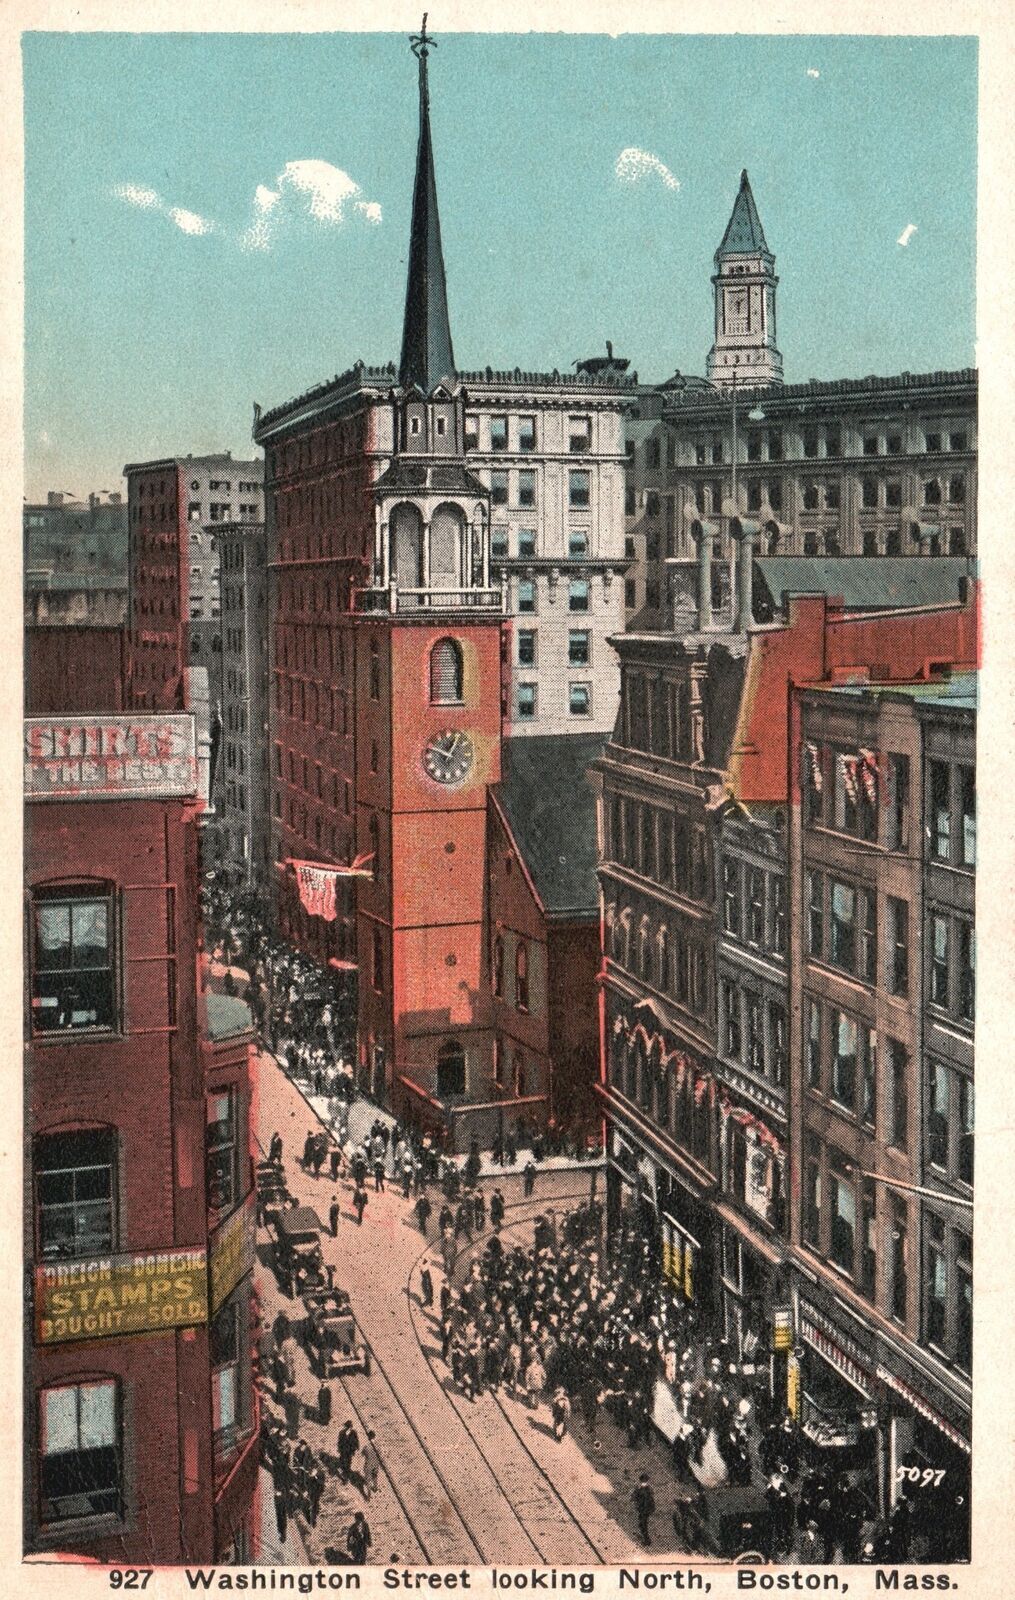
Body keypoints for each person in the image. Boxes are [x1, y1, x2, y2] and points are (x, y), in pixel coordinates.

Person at [632, 1474, 656, 1547]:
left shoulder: (640, 1489)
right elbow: (652, 1500)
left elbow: (634, 1497)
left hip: (643, 1510)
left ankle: (647, 1540)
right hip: (645, 1509)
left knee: (643, 1524)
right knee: (643, 1524)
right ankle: (646, 1539)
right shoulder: (648, 1489)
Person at [337, 1419, 359, 1484]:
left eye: (348, 1427)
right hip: (343, 1451)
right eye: (346, 1427)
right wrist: (339, 1448)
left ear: (350, 1427)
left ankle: (346, 1477)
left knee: (348, 1464)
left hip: (349, 1452)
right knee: (342, 1463)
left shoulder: (354, 1433)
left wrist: (356, 1448)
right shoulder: (341, 1433)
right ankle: (344, 1475)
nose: (347, 1428)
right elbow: (339, 1442)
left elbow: (356, 1441)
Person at [360, 1430, 381, 1500]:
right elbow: (380, 1454)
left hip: (368, 1464)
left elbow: (362, 1454)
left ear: (368, 1437)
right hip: (376, 1464)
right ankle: (375, 1487)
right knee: (375, 1476)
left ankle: (368, 1495)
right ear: (374, 1436)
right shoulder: (378, 1446)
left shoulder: (366, 1447)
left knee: (368, 1480)